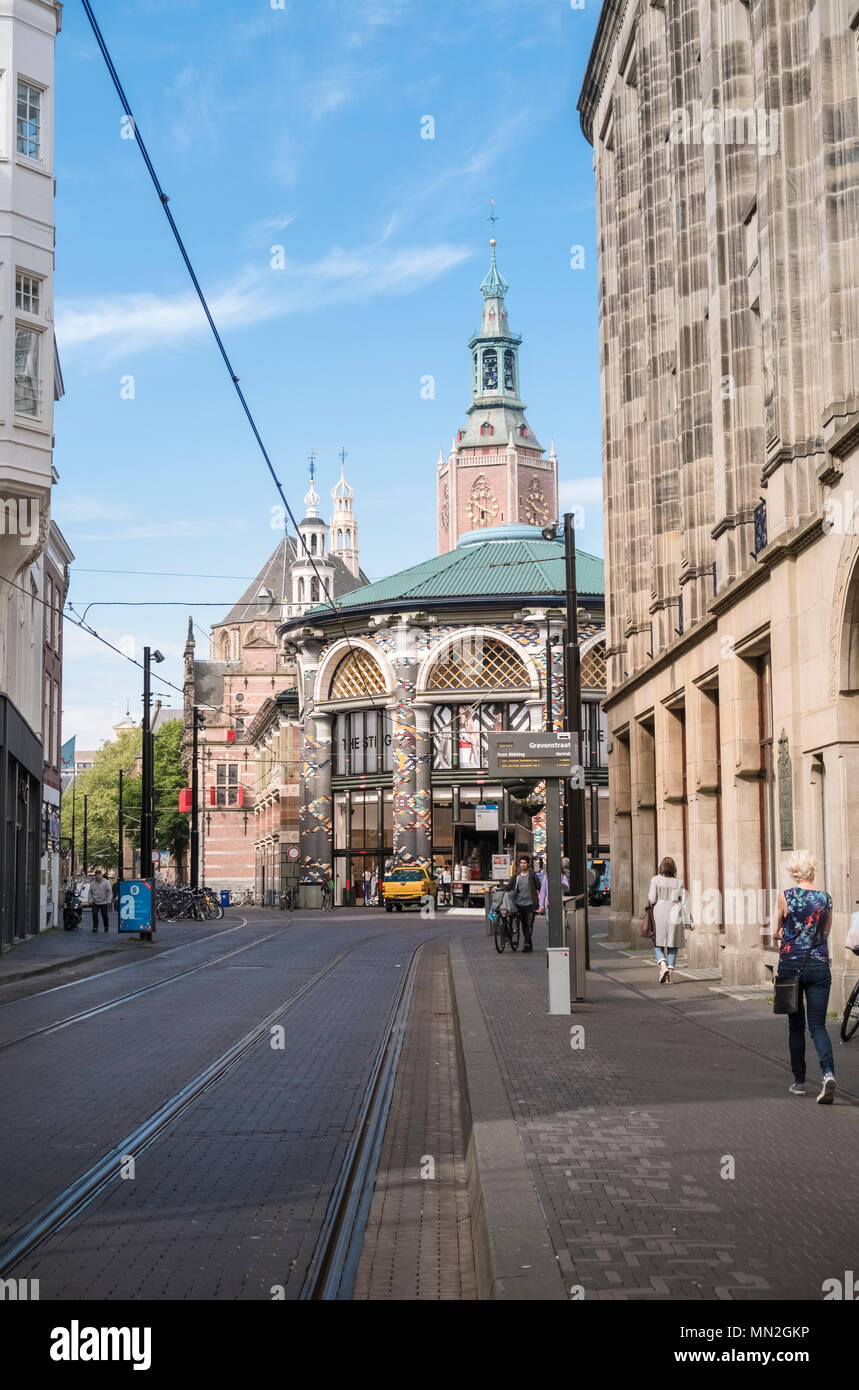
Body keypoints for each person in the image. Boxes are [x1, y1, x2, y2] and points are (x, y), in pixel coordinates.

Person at [774, 850, 835, 1103]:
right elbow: (827, 930)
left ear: (793, 871)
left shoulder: (785, 896)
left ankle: (799, 1082)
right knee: (818, 1026)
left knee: (796, 1026)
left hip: (791, 967)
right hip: (820, 967)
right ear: (812, 869)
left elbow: (776, 930)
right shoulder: (825, 899)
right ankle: (828, 1073)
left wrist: (784, 932)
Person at [647, 856, 692, 983]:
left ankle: (662, 965)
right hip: (674, 912)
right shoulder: (679, 883)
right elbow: (685, 903)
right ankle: (670, 973)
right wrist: (689, 921)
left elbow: (652, 899)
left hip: (659, 912)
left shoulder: (655, 880)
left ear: (661, 867)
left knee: (657, 941)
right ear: (674, 869)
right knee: (673, 943)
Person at [506, 854, 540, 953]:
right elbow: (509, 887)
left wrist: (541, 901)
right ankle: (529, 945)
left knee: (529, 924)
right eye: (521, 863)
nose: (523, 865)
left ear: (528, 864)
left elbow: (539, 887)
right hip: (519, 905)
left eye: (525, 863)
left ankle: (526, 944)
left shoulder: (532, 875)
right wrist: (499, 890)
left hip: (530, 904)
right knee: (524, 926)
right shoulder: (516, 876)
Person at [89, 867, 113, 933]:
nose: (97, 877)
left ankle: (106, 926)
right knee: (94, 914)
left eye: (98, 876)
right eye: (96, 876)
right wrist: (90, 899)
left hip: (104, 901)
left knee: (104, 915)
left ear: (101, 875)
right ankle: (95, 927)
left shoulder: (106, 882)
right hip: (95, 901)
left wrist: (109, 900)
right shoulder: (93, 883)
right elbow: (90, 892)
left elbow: (109, 891)